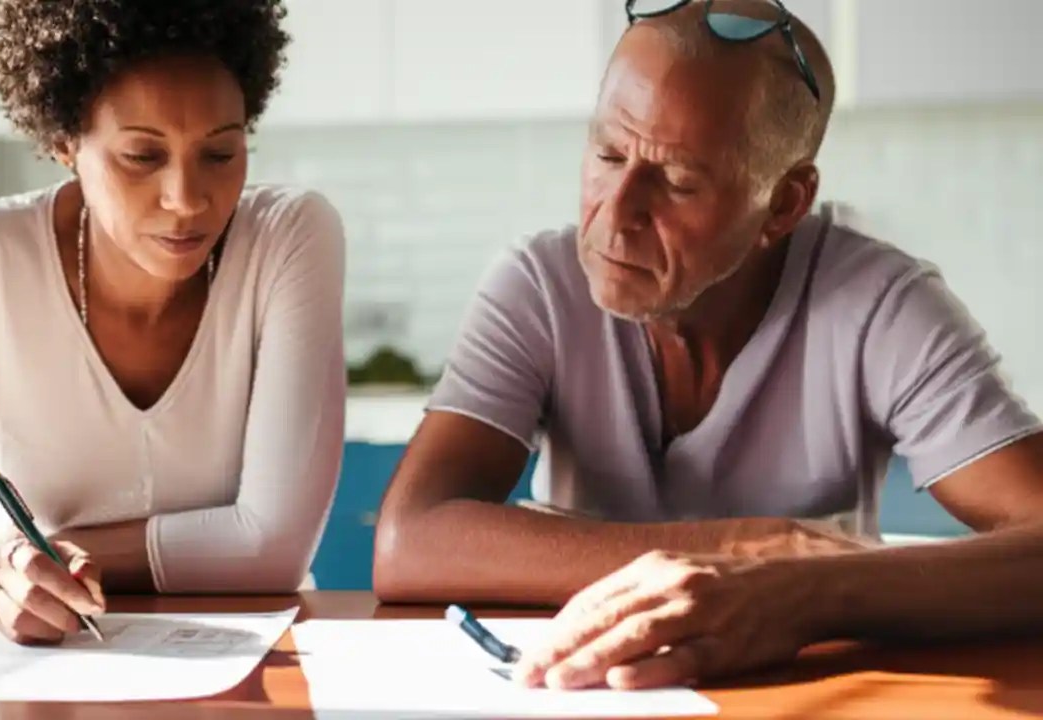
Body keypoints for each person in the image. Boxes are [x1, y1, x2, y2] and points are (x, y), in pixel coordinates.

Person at [374, 0, 1043, 689]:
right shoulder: (538, 286)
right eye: (607, 153)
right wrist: (750, 549)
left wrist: (804, 591)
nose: (616, 213)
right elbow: (408, 541)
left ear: (782, 205)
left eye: (677, 181)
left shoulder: (880, 304)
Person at [0, 0, 346, 645]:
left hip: (261, 657)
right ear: (65, 142)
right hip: (42, 660)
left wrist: (46, 554)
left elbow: (272, 551)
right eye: (142, 157)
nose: (187, 200)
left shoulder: (288, 235)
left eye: (221, 154)